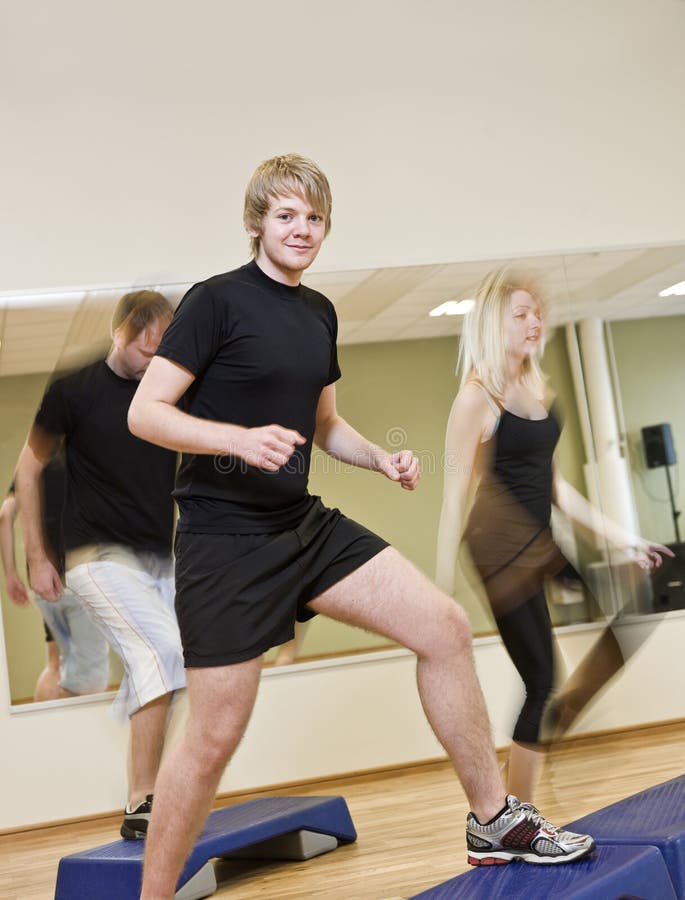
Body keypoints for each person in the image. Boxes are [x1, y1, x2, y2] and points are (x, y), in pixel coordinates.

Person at [128, 154, 595, 897]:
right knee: (213, 738)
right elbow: (145, 412)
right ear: (256, 224)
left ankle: (490, 819)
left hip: (299, 524)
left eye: (313, 217)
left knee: (441, 627)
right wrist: (237, 440)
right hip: (224, 539)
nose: (301, 229)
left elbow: (324, 425)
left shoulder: (318, 313)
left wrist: (380, 459)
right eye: (285, 215)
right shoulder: (214, 302)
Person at [435, 267, 671, 802]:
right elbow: (453, 499)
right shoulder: (477, 396)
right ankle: (509, 816)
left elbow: (559, 488)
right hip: (499, 547)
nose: (534, 321)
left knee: (630, 610)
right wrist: (440, 592)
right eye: (519, 314)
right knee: (541, 677)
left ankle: (555, 720)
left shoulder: (540, 387)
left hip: (541, 543)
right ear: (496, 324)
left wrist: (626, 540)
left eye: (536, 312)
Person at [15, 290, 185, 839]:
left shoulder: (169, 391)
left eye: (162, 350)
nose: (151, 360)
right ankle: (142, 800)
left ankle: (144, 778)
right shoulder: (75, 388)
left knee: (180, 669)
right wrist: (38, 557)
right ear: (121, 333)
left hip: (161, 559)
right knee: (161, 653)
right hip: (97, 558)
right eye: (145, 348)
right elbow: (28, 468)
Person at [0, 456, 110, 701]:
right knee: (91, 676)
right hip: (80, 579)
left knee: (55, 664)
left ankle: (44, 733)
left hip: (43, 585)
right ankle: (74, 734)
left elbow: (4, 516)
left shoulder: (30, 463)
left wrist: (10, 575)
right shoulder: (82, 454)